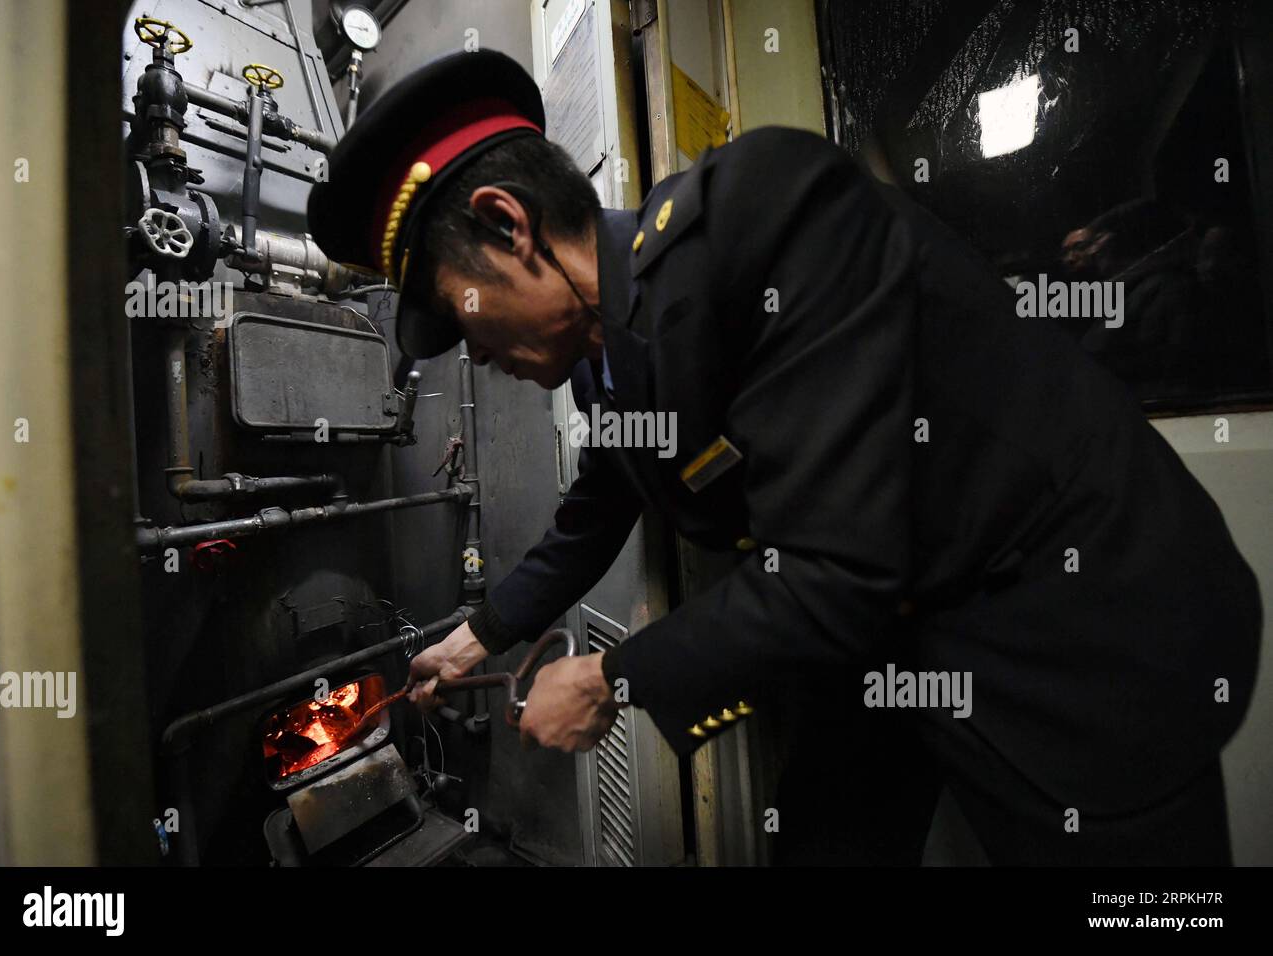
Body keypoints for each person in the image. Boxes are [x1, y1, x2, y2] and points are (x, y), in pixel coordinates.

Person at [307, 49, 1261, 864]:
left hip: (1081, 636)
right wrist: (480, 635)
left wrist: (609, 681)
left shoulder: (768, 217)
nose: (472, 352)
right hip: (894, 636)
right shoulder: (610, 353)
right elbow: (599, 510)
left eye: (461, 310)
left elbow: (838, 568)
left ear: (509, 228)